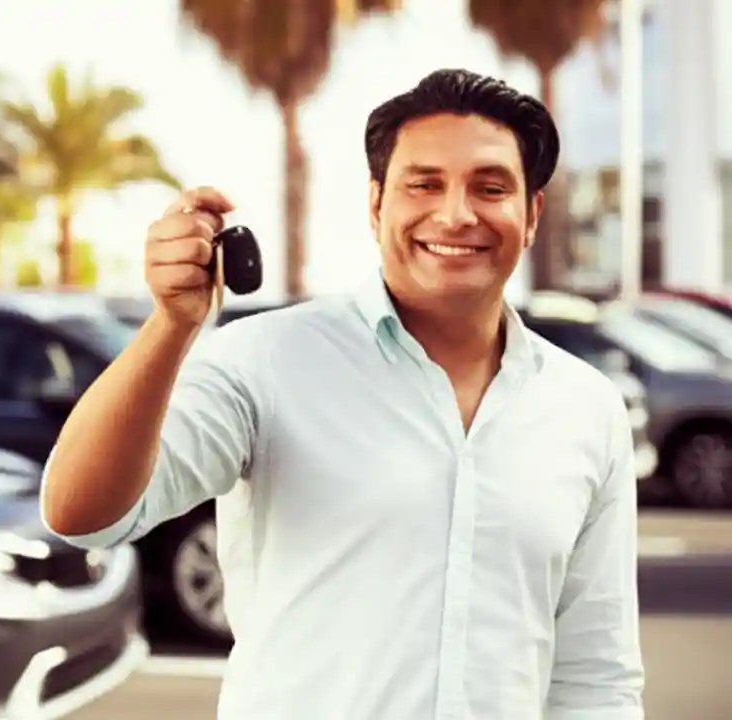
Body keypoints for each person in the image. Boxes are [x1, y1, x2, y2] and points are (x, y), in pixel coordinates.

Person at [40, 68, 644, 719]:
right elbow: (84, 515)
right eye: (425, 184)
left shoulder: (586, 407)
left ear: (530, 216)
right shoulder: (263, 361)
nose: (456, 213)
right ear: (377, 204)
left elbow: (595, 674)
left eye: (490, 188)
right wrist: (170, 326)